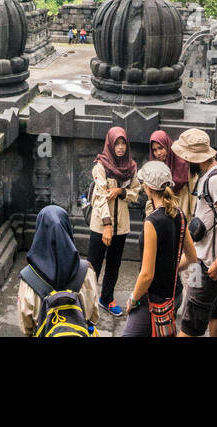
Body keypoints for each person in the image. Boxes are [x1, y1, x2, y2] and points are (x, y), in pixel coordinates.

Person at [172, 128, 217, 338]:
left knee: (190, 324)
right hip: (202, 261)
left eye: (185, 157)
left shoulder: (215, 180)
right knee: (215, 313)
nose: (183, 161)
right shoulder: (208, 174)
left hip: (209, 266)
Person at [122, 160, 196, 337]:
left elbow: (147, 274)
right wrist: (172, 269)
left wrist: (132, 299)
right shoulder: (179, 214)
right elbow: (193, 257)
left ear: (147, 187)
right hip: (174, 293)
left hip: (152, 299)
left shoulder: (152, 222)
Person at [18, 205, 99, 336]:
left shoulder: (28, 278)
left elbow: (26, 325)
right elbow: (94, 315)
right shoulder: (87, 271)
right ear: (68, 229)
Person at [87, 126, 140, 316]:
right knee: (93, 264)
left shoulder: (131, 167)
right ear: (110, 144)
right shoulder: (100, 166)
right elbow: (100, 197)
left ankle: (106, 298)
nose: (120, 148)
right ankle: (87, 300)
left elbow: (136, 192)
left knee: (114, 263)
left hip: (122, 225)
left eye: (123, 144)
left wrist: (121, 191)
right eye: (116, 144)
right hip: (101, 225)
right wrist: (107, 226)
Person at [148, 129, 193, 219]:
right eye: (154, 150)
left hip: (181, 210)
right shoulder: (153, 169)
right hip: (162, 214)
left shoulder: (183, 165)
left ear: (167, 145)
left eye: (161, 148)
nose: (158, 153)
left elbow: (192, 193)